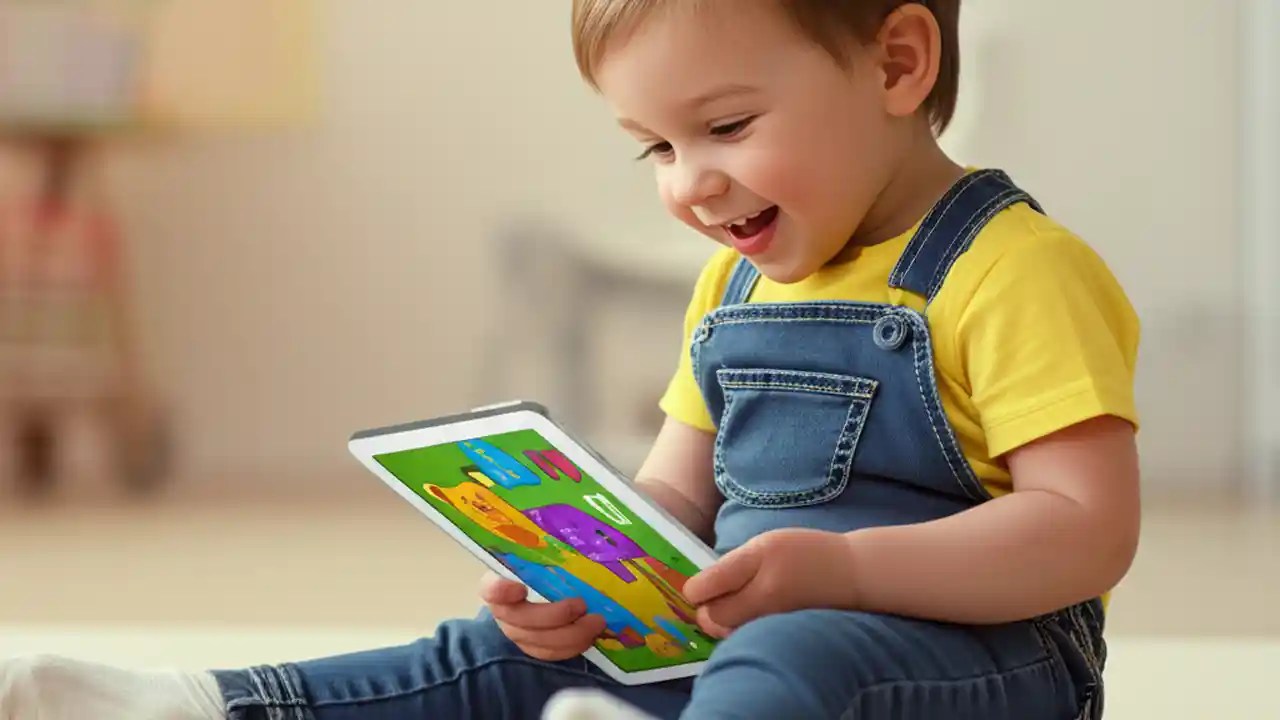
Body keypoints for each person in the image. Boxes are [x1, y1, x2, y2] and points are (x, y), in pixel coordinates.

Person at [0, 1, 1142, 718]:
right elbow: (673, 495)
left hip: (980, 665)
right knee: (489, 660)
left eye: (726, 128)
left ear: (896, 63)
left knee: (791, 665)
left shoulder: (1011, 269)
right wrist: (586, 571)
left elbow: (1085, 530)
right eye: (655, 147)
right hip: (742, 639)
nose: (688, 182)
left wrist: (843, 574)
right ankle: (199, 705)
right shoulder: (735, 283)